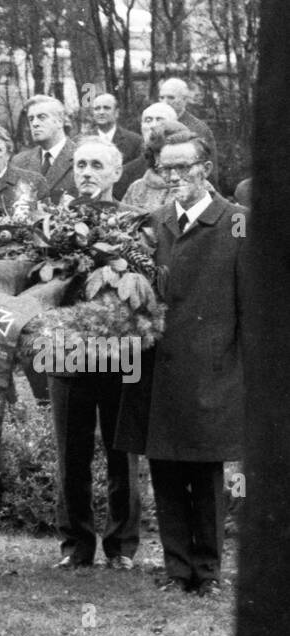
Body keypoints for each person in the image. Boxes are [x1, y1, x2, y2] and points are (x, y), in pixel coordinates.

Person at [118, 128, 245, 596]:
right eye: (164, 168)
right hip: (157, 370)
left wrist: (244, 376)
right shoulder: (152, 223)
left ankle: (208, 572)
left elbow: (253, 310)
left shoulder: (236, 223)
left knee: (205, 473)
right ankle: (177, 568)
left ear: (205, 170)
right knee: (165, 468)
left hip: (212, 371)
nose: (172, 176)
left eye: (182, 167)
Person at [49, 140, 141, 572]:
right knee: (72, 451)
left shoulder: (133, 222)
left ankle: (121, 545)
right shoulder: (54, 222)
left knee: (122, 449)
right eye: (80, 164)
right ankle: (76, 545)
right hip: (67, 349)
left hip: (119, 350)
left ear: (116, 172)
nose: (86, 171)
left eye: (96, 165)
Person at [12, 95, 77, 203]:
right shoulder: (19, 161)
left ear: (60, 121)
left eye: (41, 117)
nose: (35, 124)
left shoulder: (80, 157)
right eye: (31, 119)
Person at [113, 102, 176, 201]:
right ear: (142, 128)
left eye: (160, 120)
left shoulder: (192, 168)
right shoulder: (126, 175)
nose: (153, 125)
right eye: (148, 120)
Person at [158, 78, 216, 153]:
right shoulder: (153, 124)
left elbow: (208, 161)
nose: (164, 102)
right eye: (161, 97)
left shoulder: (198, 129)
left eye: (171, 97)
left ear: (184, 99)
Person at [87, 93, 144, 164]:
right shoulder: (83, 140)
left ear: (116, 112)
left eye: (106, 108)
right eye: (97, 109)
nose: (101, 112)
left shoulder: (135, 141)